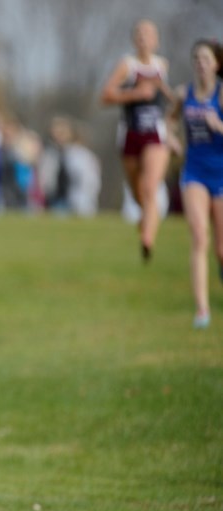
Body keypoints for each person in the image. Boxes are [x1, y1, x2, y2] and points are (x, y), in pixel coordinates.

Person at [101, 19, 172, 262]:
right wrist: (134, 94)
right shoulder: (127, 65)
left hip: (155, 135)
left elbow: (166, 98)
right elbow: (106, 96)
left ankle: (147, 240)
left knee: (150, 187)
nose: (144, 38)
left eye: (149, 34)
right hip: (131, 134)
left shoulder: (162, 66)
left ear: (156, 40)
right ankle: (145, 219)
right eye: (139, 34)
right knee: (137, 191)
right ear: (134, 40)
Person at [168, 40, 223, 329]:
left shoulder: (222, 94)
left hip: (222, 173)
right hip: (194, 173)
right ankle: (202, 309)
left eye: (206, 58)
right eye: (196, 58)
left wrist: (219, 126)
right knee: (200, 236)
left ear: (216, 63)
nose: (200, 62)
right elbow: (169, 121)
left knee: (221, 248)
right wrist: (171, 138)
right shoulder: (183, 93)